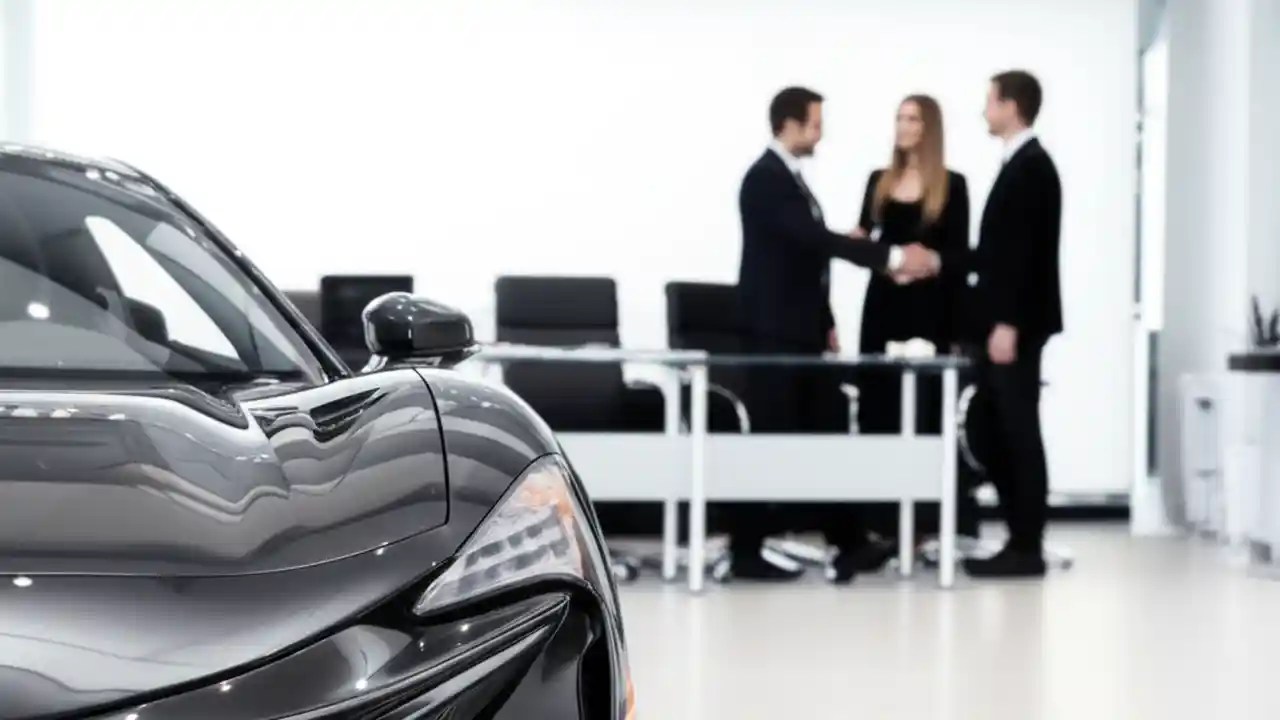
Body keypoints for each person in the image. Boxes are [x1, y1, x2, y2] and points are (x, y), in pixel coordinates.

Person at [731, 86, 938, 582]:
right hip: (774, 338)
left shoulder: (792, 181)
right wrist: (889, 256)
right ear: (790, 124)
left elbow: (809, 257)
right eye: (815, 123)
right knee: (768, 444)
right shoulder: (765, 179)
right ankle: (746, 551)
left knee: (827, 434)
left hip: (801, 334)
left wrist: (826, 322)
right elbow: (812, 241)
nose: (820, 133)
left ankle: (848, 542)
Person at [852, 94, 971, 544]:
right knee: (879, 407)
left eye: (912, 119)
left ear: (929, 127)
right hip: (884, 305)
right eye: (899, 117)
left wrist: (928, 261)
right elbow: (865, 240)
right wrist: (883, 259)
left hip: (930, 307)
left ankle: (929, 521)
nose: (902, 126)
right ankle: (879, 523)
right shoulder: (878, 181)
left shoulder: (953, 186)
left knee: (926, 409)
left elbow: (962, 254)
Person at [961, 70, 1063, 578]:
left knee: (1018, 431)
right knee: (991, 427)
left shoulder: (1031, 168)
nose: (984, 110)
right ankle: (1019, 536)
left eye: (989, 101)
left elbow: (1024, 257)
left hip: (1013, 326)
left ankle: (1027, 545)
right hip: (1005, 322)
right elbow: (1000, 254)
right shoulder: (1019, 164)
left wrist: (1008, 323)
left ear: (1011, 106)